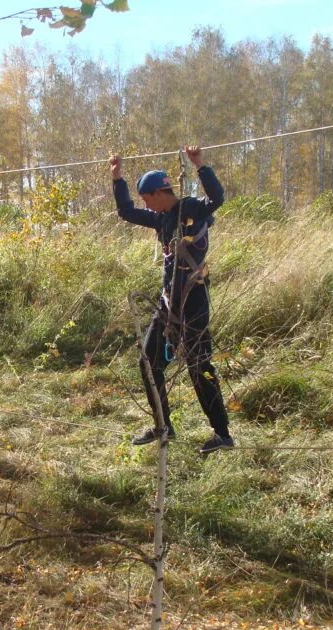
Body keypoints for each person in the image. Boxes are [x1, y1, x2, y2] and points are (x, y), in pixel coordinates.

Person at [110, 145, 234, 453]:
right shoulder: (160, 219)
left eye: (146, 199)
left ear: (157, 193)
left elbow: (217, 199)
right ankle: (163, 427)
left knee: (199, 365)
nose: (146, 206)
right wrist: (117, 177)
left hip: (193, 301)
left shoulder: (190, 208)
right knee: (150, 363)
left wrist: (200, 166)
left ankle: (222, 435)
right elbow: (125, 212)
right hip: (168, 302)